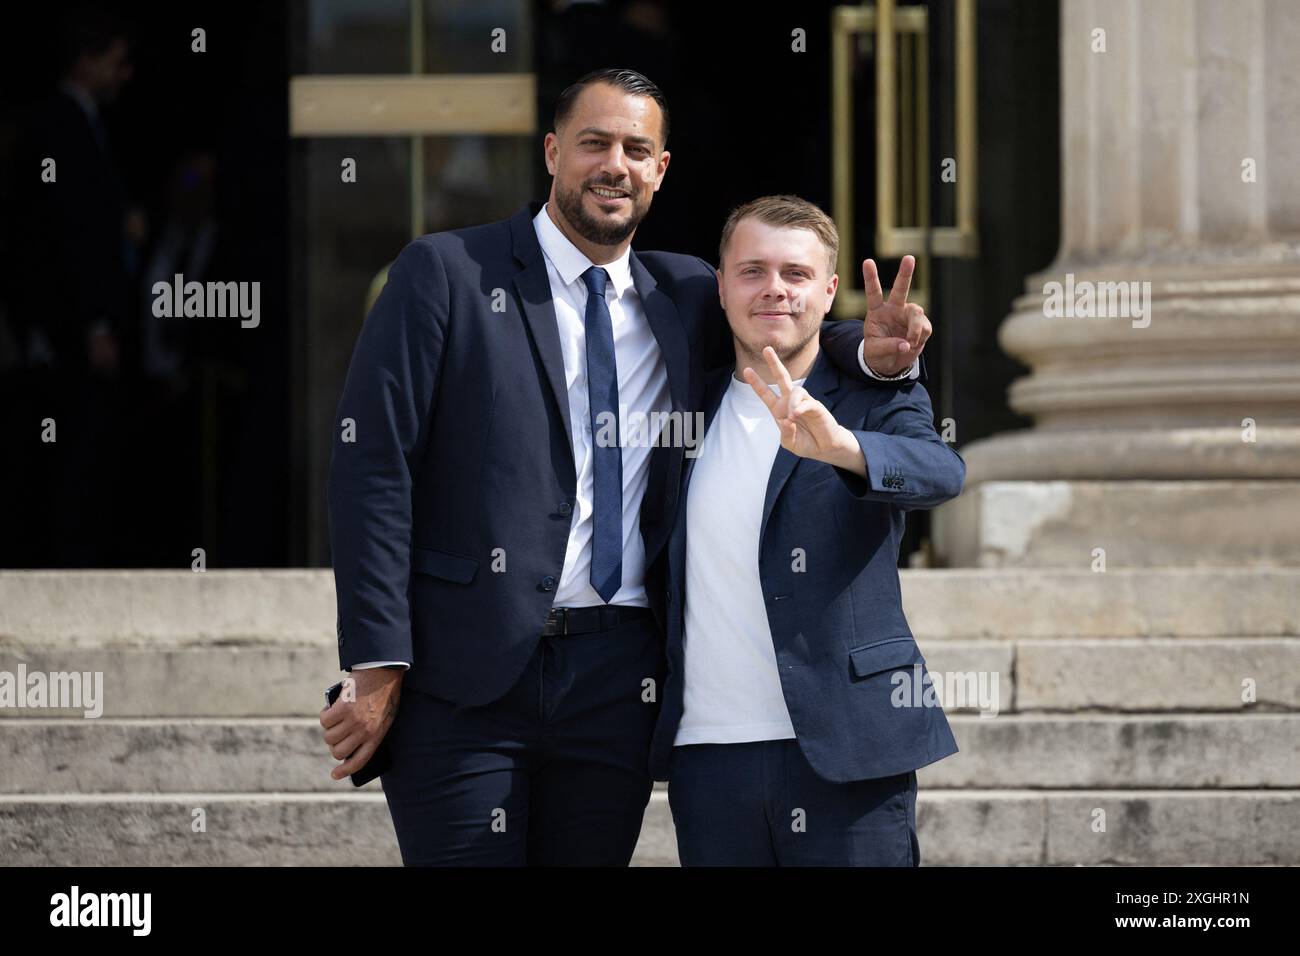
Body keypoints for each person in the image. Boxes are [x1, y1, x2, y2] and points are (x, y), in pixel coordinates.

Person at [321, 69, 932, 865]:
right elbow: (372, 469)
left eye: (636, 149)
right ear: (551, 153)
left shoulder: (681, 291)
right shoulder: (446, 274)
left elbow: (782, 321)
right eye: (594, 144)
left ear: (661, 169)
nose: (615, 164)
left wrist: (873, 355)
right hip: (465, 677)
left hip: (618, 683)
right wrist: (376, 663)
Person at [647, 195, 963, 865]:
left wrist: (846, 447)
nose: (774, 290)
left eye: (795, 274)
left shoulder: (874, 394)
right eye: (752, 270)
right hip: (708, 757)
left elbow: (939, 472)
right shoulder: (680, 405)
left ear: (828, 291)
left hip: (849, 749)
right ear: (723, 286)